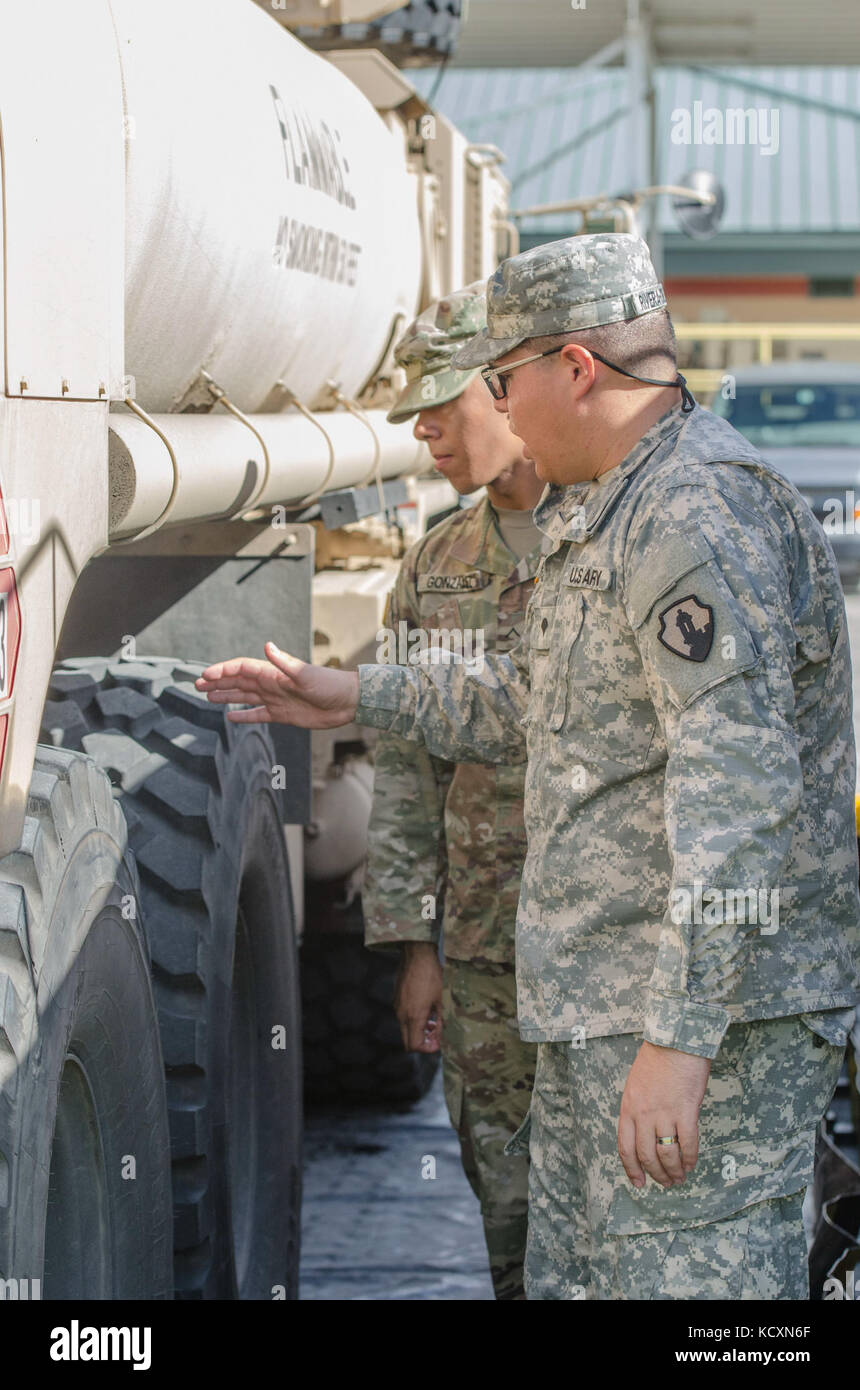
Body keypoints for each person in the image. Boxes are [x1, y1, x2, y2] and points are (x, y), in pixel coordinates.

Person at [195, 233, 860, 1300]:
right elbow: (536, 704)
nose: (498, 411)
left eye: (503, 381)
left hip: (695, 1026)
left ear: (576, 368)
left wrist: (680, 1044)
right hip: (602, 1011)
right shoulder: (609, 509)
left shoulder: (692, 511)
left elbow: (740, 795)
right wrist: (358, 693)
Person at [363, 283, 543, 1300]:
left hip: (618, 962)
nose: (425, 429)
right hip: (482, 960)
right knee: (507, 1209)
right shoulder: (433, 569)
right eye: (414, 412)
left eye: (444, 400)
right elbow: (402, 771)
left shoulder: (619, 542)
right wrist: (414, 946)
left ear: (508, 386)